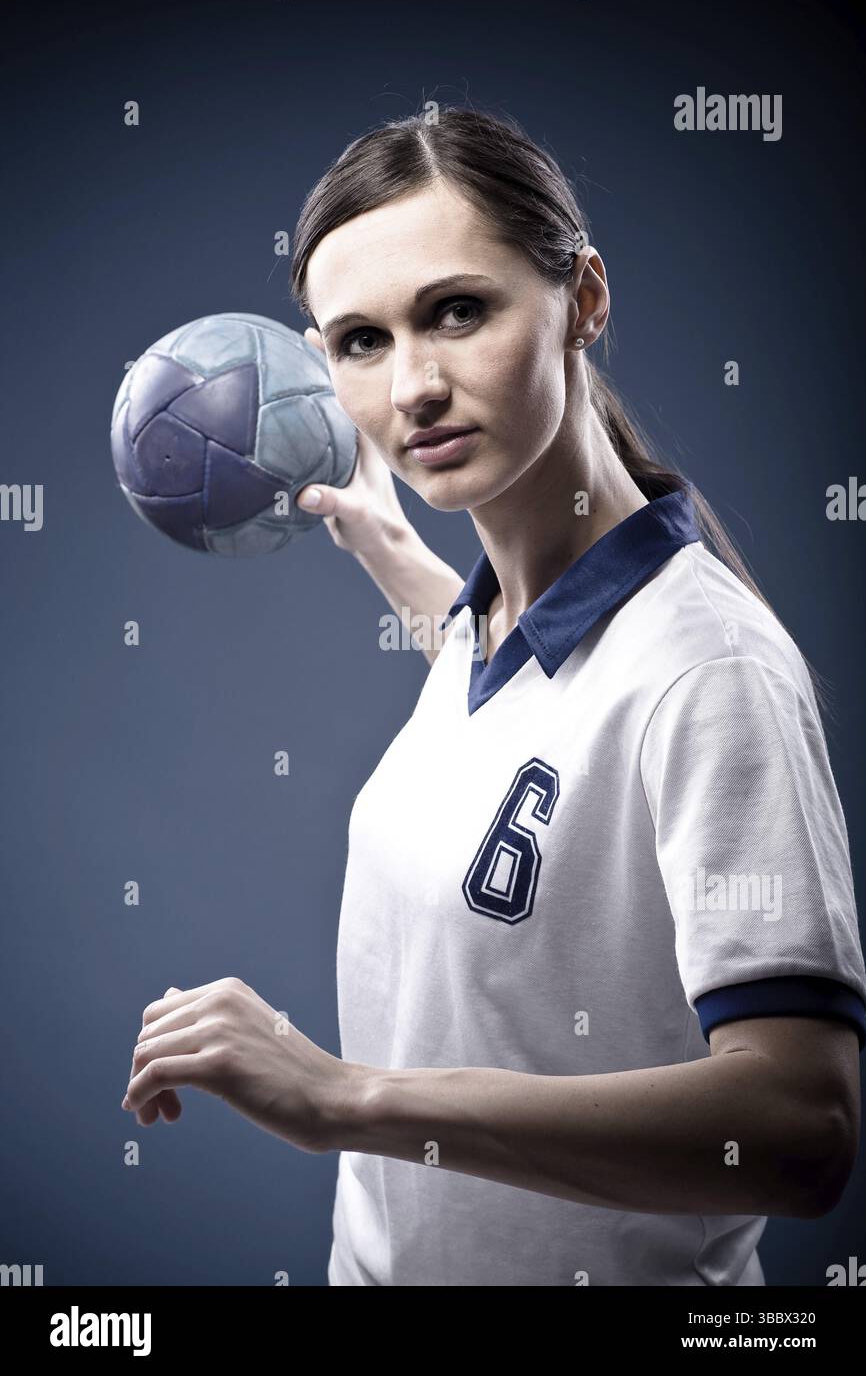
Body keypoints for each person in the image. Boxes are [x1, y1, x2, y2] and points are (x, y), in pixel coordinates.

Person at [123, 107, 865, 1287]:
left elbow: (798, 1132)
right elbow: (526, 708)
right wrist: (387, 550)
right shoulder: (489, 634)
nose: (414, 386)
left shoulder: (706, 671)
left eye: (456, 311)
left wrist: (346, 1097)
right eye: (360, 342)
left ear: (581, 299)